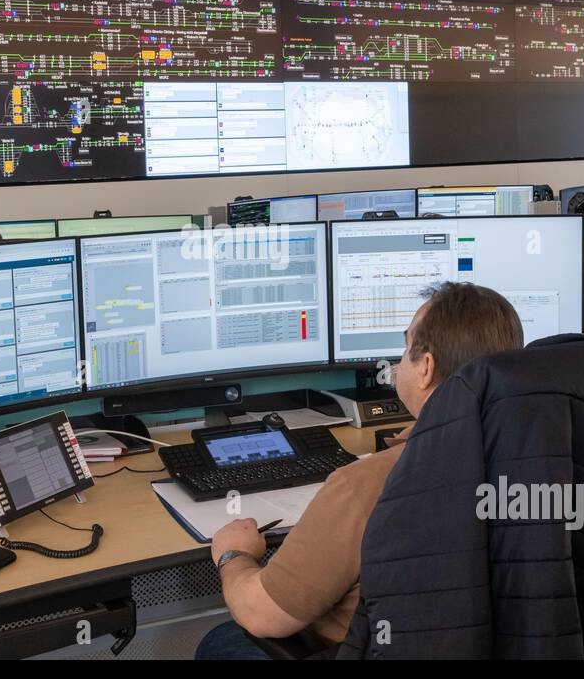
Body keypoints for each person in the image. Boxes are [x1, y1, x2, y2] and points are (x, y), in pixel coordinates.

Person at [196, 282, 525, 659]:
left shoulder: (367, 484)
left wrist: (234, 556)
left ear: (426, 368)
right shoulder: (545, 460)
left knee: (222, 640)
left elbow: (263, 616)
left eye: (407, 348)